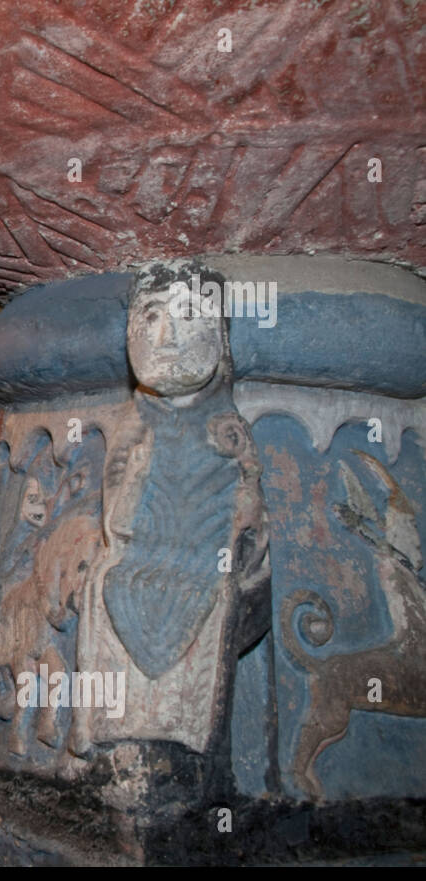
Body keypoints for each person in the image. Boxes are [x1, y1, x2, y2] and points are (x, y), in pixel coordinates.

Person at [68, 260, 270, 758]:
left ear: (220, 336)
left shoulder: (227, 429)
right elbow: (118, 516)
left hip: (205, 563)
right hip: (140, 560)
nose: (166, 335)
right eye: (150, 317)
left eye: (187, 315)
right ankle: (111, 726)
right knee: (106, 579)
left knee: (204, 591)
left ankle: (178, 731)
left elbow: (244, 515)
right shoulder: (133, 425)